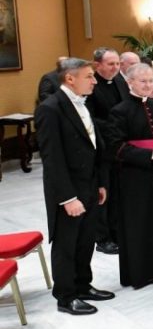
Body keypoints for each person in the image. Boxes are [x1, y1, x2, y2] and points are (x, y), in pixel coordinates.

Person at [35, 58, 114, 315]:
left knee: (85, 241)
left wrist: (100, 183)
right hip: (68, 190)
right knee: (66, 244)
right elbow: (53, 159)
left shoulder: (83, 103)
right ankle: (66, 296)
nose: (94, 81)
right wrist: (67, 198)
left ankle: (83, 285)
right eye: (89, 76)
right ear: (70, 79)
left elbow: (93, 145)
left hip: (89, 185)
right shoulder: (51, 108)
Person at [105, 63, 153, 289]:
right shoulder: (119, 111)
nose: (148, 85)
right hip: (134, 175)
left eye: (151, 80)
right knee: (139, 222)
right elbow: (116, 147)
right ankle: (141, 272)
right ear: (130, 83)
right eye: (143, 81)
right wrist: (150, 154)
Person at [86, 47, 128, 255]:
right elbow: (89, 118)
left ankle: (117, 231)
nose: (115, 68)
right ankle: (102, 238)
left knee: (118, 193)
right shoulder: (90, 85)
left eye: (118, 64)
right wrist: (115, 127)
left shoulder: (120, 81)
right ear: (97, 65)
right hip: (102, 148)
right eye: (111, 64)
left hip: (120, 147)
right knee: (104, 193)